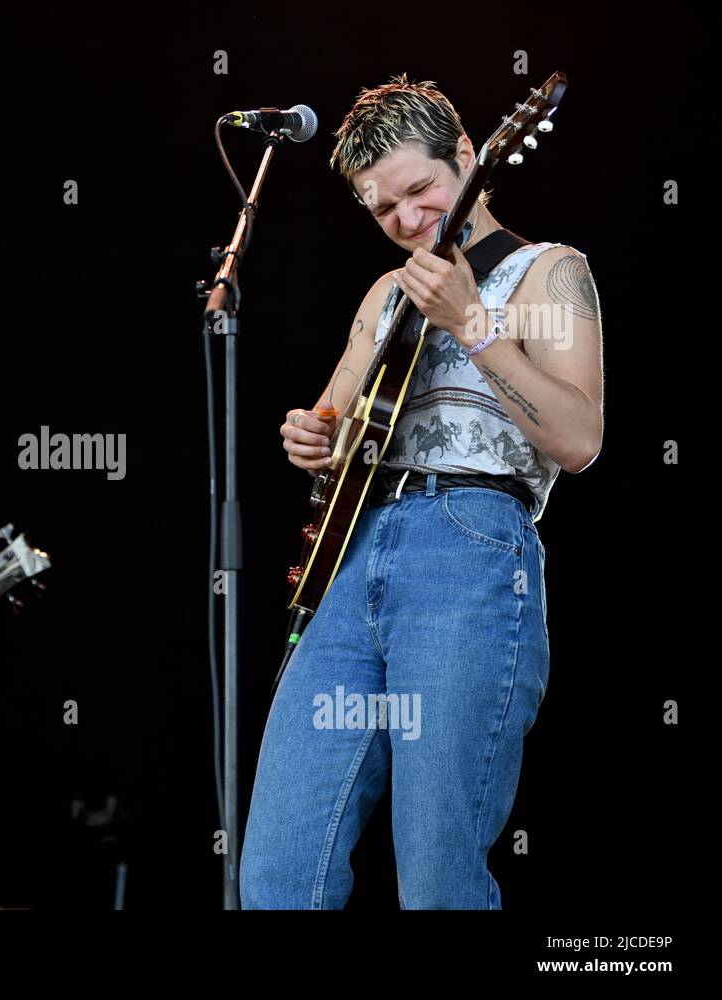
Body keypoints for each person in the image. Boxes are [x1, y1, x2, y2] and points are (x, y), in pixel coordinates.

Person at [240, 75, 604, 908]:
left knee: (438, 874)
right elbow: (334, 423)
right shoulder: (382, 295)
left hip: (469, 545)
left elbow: (580, 439)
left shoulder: (550, 272)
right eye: (383, 210)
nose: (406, 221)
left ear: (469, 159)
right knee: (278, 873)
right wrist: (310, 437)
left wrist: (473, 323)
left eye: (420, 190)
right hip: (353, 558)